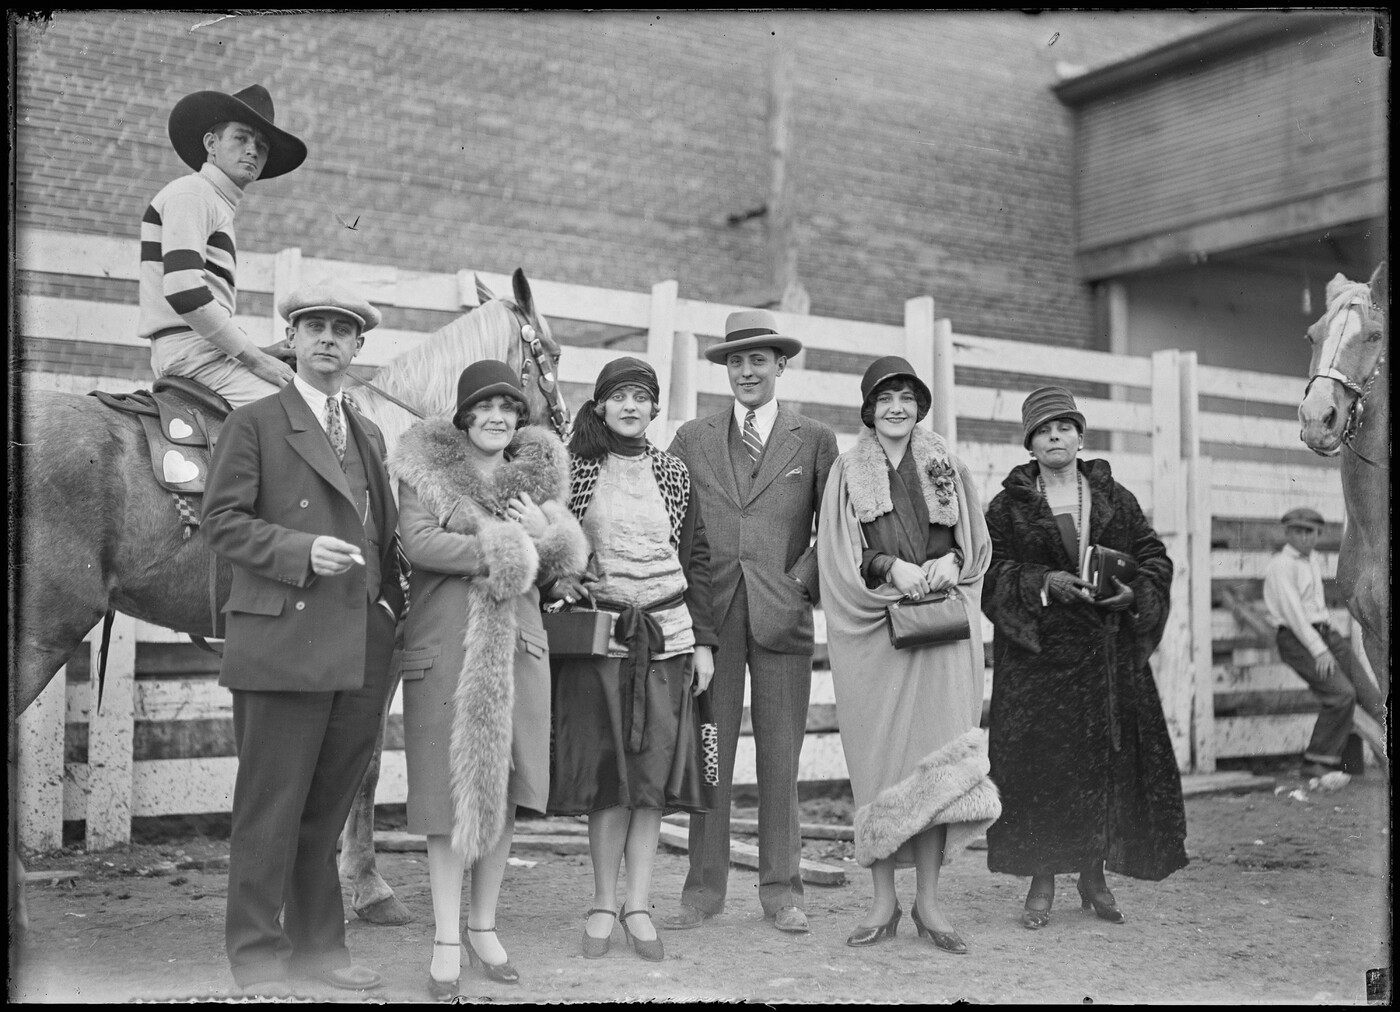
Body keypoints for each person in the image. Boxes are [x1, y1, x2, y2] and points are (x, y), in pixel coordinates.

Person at [201, 283, 403, 996]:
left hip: (359, 646)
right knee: (270, 809)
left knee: (324, 811)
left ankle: (319, 953)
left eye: (341, 331)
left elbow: (383, 536)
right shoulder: (255, 422)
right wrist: (297, 552)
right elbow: (220, 523)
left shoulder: (370, 433)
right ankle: (257, 959)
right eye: (313, 327)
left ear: (357, 348)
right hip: (284, 639)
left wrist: (387, 612)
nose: (327, 340)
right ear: (291, 338)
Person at [391, 360, 588, 997]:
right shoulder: (425, 473)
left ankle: (483, 926)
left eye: (509, 407)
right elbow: (419, 543)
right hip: (448, 650)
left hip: (516, 655)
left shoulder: (532, 479)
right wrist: (509, 545)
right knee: (447, 799)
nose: (498, 417)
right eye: (485, 407)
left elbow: (565, 561)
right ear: (464, 416)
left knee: (501, 796)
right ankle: (446, 935)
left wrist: (548, 532)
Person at [982, 386, 1187, 931]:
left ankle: (1093, 875)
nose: (1056, 437)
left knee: (1103, 768)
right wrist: (1044, 581)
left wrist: (1134, 593)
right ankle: (1042, 879)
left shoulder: (1114, 497)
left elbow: (1153, 556)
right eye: (1044, 430)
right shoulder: (1007, 507)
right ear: (1030, 442)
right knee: (1045, 769)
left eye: (1065, 427)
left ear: (1080, 436)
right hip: (1039, 664)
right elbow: (992, 574)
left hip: (1104, 661)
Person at [661, 310, 839, 935]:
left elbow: (833, 531)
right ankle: (703, 891)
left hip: (781, 613)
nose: (746, 371)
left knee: (780, 758)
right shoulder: (692, 438)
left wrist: (798, 583)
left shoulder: (812, 439)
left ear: (780, 366)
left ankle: (782, 891)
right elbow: (676, 528)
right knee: (709, 753)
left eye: (757, 360)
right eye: (736, 361)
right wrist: (687, 611)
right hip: (710, 619)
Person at [816, 356, 1000, 953]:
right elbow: (841, 556)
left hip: (941, 627)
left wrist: (950, 564)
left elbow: (974, 544)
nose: (897, 406)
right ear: (869, 409)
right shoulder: (847, 472)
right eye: (885, 397)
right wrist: (891, 568)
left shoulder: (946, 465)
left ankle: (929, 902)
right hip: (878, 633)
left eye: (907, 396)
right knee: (881, 764)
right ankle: (882, 903)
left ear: (920, 406)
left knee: (937, 759)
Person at [547, 356, 718, 963]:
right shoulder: (576, 470)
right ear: (599, 406)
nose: (630, 406)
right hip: (603, 639)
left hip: (668, 637)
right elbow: (552, 548)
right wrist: (559, 583)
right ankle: (600, 902)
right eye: (618, 396)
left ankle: (639, 904)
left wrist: (702, 642)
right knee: (608, 779)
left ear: (653, 408)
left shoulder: (675, 472)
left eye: (641, 397)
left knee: (649, 782)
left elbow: (696, 558)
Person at [140, 84, 306, 408]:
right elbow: (184, 291)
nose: (252, 150)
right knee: (299, 413)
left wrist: (262, 352)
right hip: (191, 355)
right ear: (211, 144)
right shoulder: (193, 194)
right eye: (241, 138)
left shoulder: (214, 201)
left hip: (203, 351)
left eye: (261, 145)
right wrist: (256, 360)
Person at [1262, 507, 1386, 778]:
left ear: (1318, 534)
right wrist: (1319, 651)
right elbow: (1295, 616)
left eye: (1310, 532)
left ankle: (1381, 757)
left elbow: (1316, 606)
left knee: (1371, 698)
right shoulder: (1281, 566)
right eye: (1298, 531)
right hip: (1297, 638)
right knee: (1341, 695)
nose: (1305, 538)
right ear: (1287, 533)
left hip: (1324, 633)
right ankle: (1316, 761)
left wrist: (1328, 641)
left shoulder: (1312, 560)